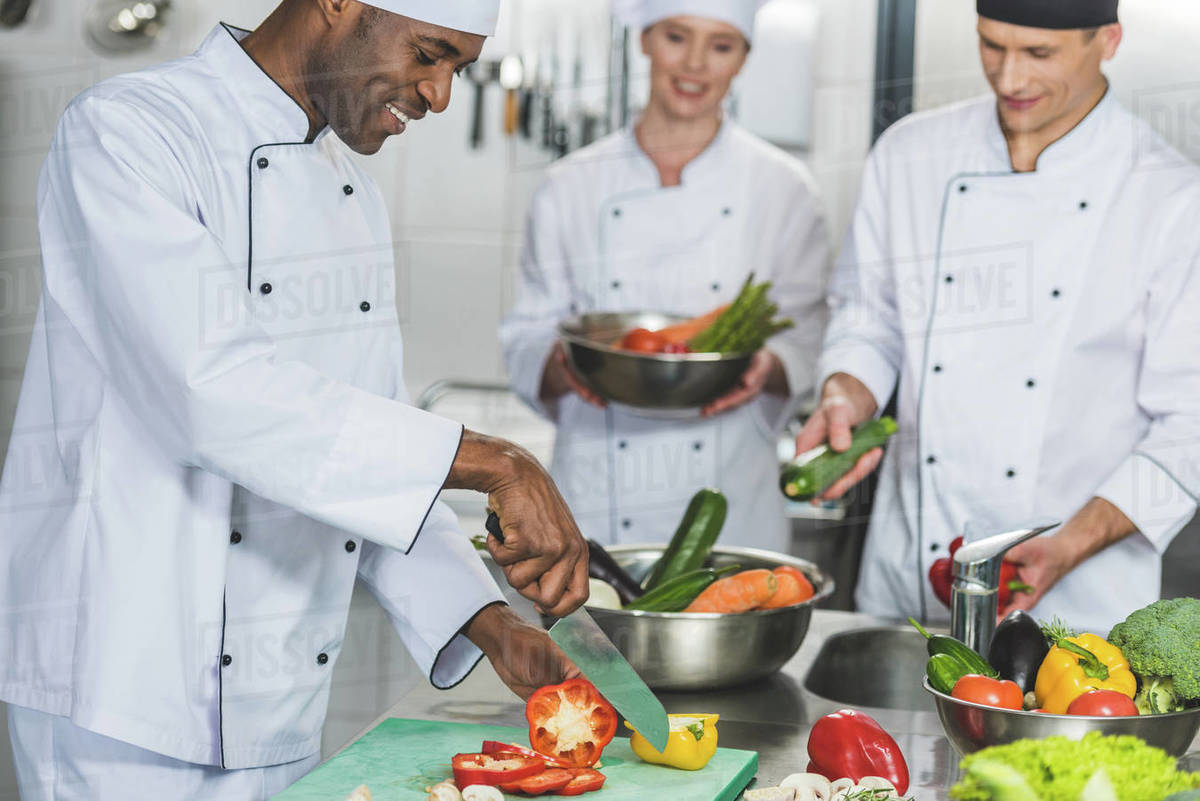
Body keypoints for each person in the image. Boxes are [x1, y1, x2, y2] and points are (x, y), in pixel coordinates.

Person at [0, 1, 590, 798]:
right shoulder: (129, 132)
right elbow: (212, 393)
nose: (440, 95)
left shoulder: (352, 197)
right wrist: (497, 461)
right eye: (428, 54)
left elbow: (361, 451)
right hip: (123, 705)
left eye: (459, 68)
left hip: (277, 709)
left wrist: (491, 624)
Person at [796, 0, 1200, 633]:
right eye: (992, 45)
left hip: (1079, 607)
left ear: (1108, 40)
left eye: (1039, 53)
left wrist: (1069, 544)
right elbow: (868, 318)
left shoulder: (1171, 199)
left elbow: (1190, 427)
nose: (1010, 78)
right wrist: (848, 392)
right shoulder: (910, 154)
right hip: (908, 580)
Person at [500, 0, 830, 553]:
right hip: (596, 503)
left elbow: (811, 337)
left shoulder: (785, 190)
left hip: (731, 503)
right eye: (677, 37)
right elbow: (526, 337)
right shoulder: (570, 185)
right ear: (645, 40)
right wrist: (564, 363)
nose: (695, 63)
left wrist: (769, 366)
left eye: (720, 45)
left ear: (743, 57)